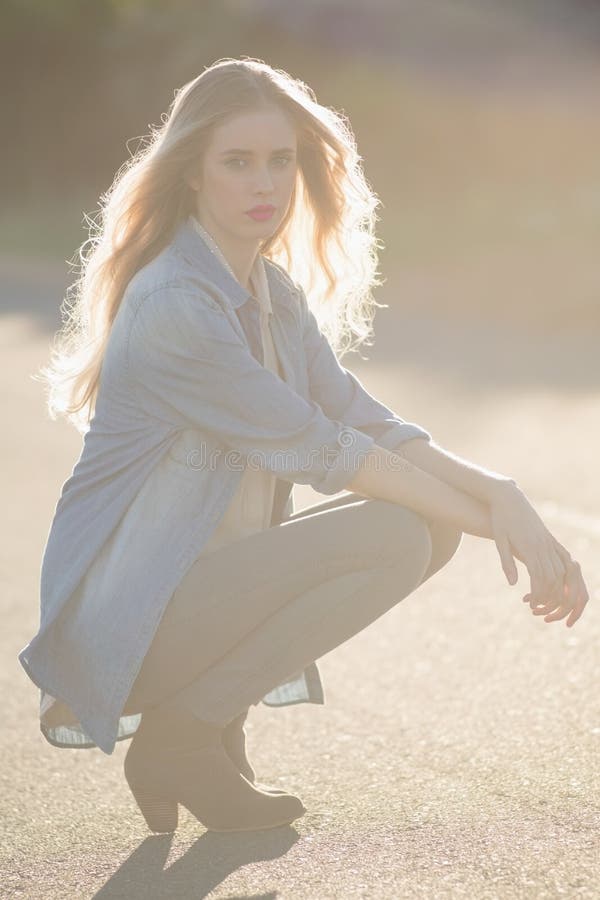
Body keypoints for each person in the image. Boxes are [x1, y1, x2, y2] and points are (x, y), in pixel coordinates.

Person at [18, 57, 589, 835]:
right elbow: (326, 449)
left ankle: (197, 731)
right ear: (192, 173)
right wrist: (504, 524)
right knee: (395, 532)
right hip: (133, 624)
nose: (265, 184)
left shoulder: (268, 291)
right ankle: (185, 735)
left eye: (280, 160)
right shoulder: (178, 305)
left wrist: (504, 495)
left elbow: (369, 422)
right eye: (238, 162)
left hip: (201, 600)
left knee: (428, 526)